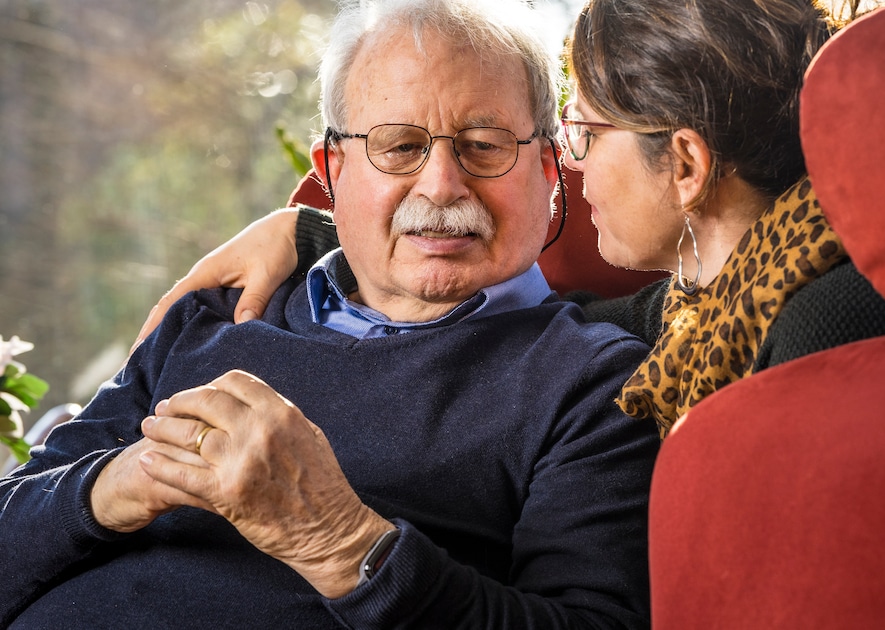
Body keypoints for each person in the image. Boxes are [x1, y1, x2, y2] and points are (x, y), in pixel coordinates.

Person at [0, 0, 659, 627]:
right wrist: (108, 490)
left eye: (484, 145)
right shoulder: (212, 316)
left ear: (549, 171)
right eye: (399, 147)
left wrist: (340, 543)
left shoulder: (595, 383)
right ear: (332, 171)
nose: (440, 184)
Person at [138, 0, 885, 438]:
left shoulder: (825, 330)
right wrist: (312, 230)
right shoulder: (707, 308)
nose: (570, 164)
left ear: (683, 165)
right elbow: (532, 313)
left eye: (584, 132)